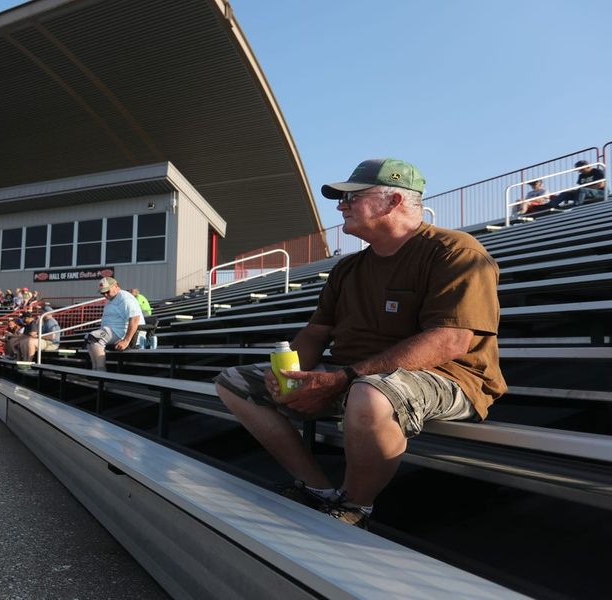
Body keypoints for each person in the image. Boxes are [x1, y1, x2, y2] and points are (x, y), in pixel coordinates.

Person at [214, 158, 505, 529]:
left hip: (447, 377)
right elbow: (316, 332)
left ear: (393, 201)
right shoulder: (347, 268)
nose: (341, 206)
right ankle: (318, 490)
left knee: (369, 393)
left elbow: (449, 341)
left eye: (352, 197)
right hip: (356, 377)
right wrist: (288, 374)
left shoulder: (456, 251)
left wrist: (342, 379)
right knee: (234, 382)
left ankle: (354, 507)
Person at [86, 277, 142, 371]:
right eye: (103, 293)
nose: (105, 295)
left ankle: (101, 370)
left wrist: (126, 340)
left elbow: (135, 318)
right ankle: (95, 369)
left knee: (94, 337)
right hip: (113, 331)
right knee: (87, 338)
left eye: (107, 291)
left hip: (121, 332)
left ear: (116, 286)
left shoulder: (125, 298)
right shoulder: (112, 299)